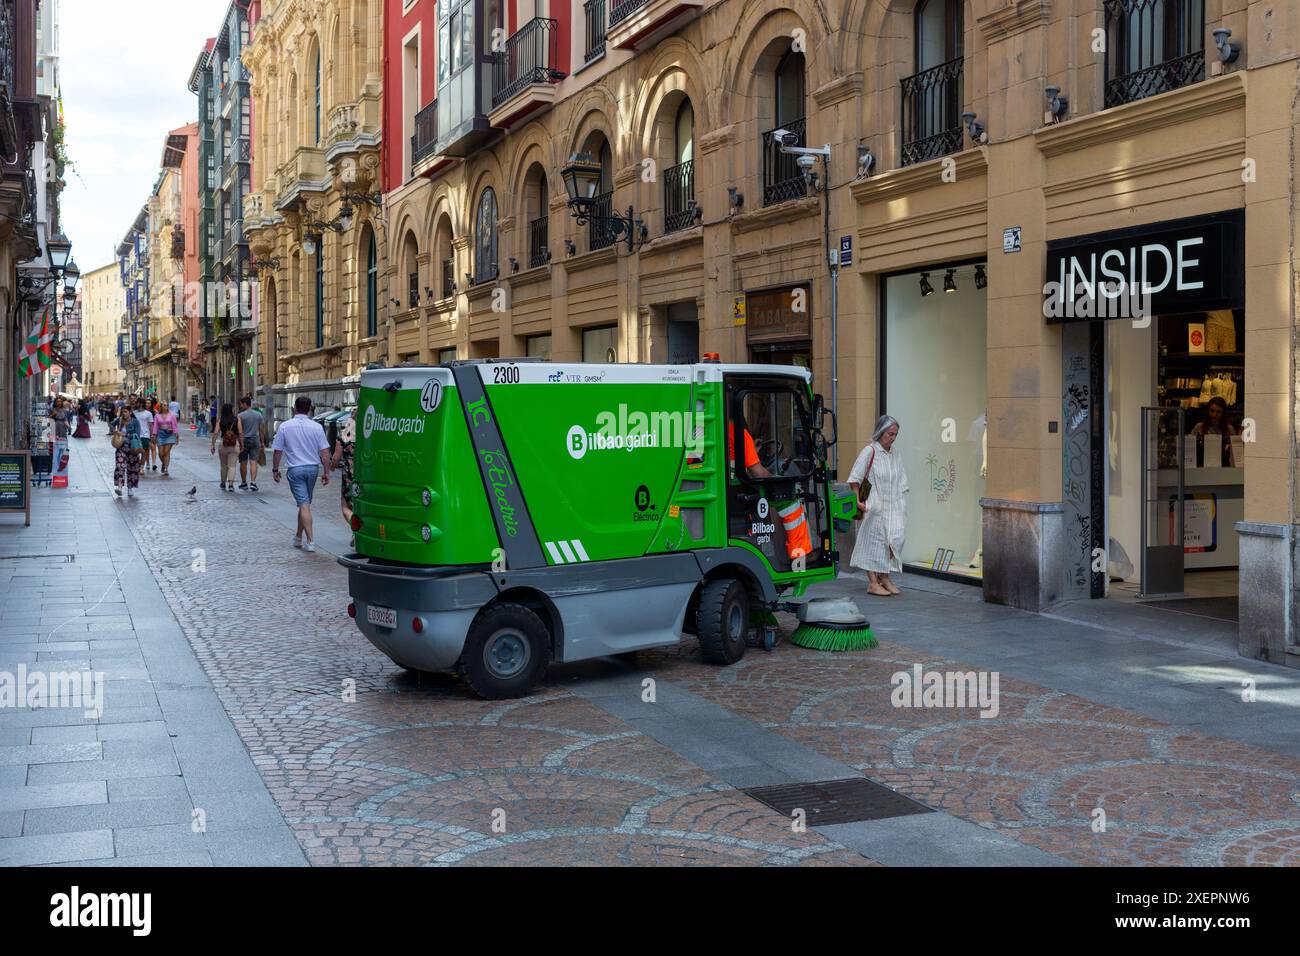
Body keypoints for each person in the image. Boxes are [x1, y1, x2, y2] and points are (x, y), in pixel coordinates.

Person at [848, 415, 909, 597]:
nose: (893, 438)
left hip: (895, 504)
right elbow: (855, 478)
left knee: (896, 539)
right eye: (890, 434)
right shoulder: (870, 451)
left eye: (896, 434)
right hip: (875, 504)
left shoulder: (895, 453)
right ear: (881, 432)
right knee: (874, 542)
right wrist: (858, 500)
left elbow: (901, 479)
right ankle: (873, 582)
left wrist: (902, 501)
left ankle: (884, 577)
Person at [272, 396, 331, 552]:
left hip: (295, 469)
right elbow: (324, 452)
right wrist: (326, 472)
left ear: (294, 408)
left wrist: (275, 469)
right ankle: (298, 537)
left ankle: (311, 541)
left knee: (304, 504)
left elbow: (278, 450)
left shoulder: (285, 426)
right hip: (312, 469)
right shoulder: (317, 427)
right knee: (304, 503)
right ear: (310, 408)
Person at [330, 409, 356, 539]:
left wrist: (332, 467)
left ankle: (356, 531)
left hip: (350, 472)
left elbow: (335, 458)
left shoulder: (344, 435)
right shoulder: (370, 434)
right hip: (367, 472)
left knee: (346, 505)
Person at [1191, 396, 1239, 467]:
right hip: (1202, 468)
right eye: (1212, 411)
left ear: (1223, 413)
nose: (1214, 415)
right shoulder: (1199, 427)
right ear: (1208, 411)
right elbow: (1191, 450)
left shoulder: (1229, 429)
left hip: (1224, 469)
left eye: (1218, 412)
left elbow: (1235, 454)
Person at [111, 405, 143, 498]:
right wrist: (115, 431)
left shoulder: (135, 422)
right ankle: (120, 487)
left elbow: (137, 434)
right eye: (123, 412)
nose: (124, 414)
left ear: (130, 412)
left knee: (132, 468)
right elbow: (111, 424)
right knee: (120, 466)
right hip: (121, 447)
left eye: (125, 412)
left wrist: (125, 434)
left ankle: (130, 488)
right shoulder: (120, 420)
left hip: (132, 447)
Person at [210, 403, 242, 491]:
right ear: (231, 410)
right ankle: (231, 485)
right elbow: (240, 433)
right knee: (232, 465)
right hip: (234, 444)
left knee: (223, 465)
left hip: (223, 444)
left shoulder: (220, 420)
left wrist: (212, 444)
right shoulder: (237, 419)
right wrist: (241, 444)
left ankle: (223, 483)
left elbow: (216, 432)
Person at [237, 396, 265, 491]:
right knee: (253, 462)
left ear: (245, 404)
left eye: (241, 404)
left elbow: (240, 431)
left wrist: (241, 444)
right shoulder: (259, 415)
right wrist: (262, 442)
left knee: (243, 462)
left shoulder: (240, 416)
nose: (240, 406)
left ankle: (244, 482)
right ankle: (253, 482)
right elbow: (261, 431)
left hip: (244, 440)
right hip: (255, 439)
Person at [152, 400, 181, 478]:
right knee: (161, 453)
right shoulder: (157, 416)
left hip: (170, 434)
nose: (166, 406)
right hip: (160, 434)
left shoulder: (172, 415)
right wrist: (154, 435)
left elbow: (175, 425)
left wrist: (177, 435)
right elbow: (155, 426)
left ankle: (166, 469)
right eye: (164, 405)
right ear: (161, 407)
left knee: (166, 452)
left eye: (167, 405)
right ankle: (164, 464)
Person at [133, 398, 155, 472]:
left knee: (144, 451)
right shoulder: (134, 413)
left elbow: (151, 425)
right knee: (136, 452)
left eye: (137, 403)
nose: (136, 404)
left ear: (141, 404)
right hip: (136, 435)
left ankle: (142, 467)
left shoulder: (148, 413)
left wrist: (152, 435)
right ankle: (138, 465)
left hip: (145, 435)